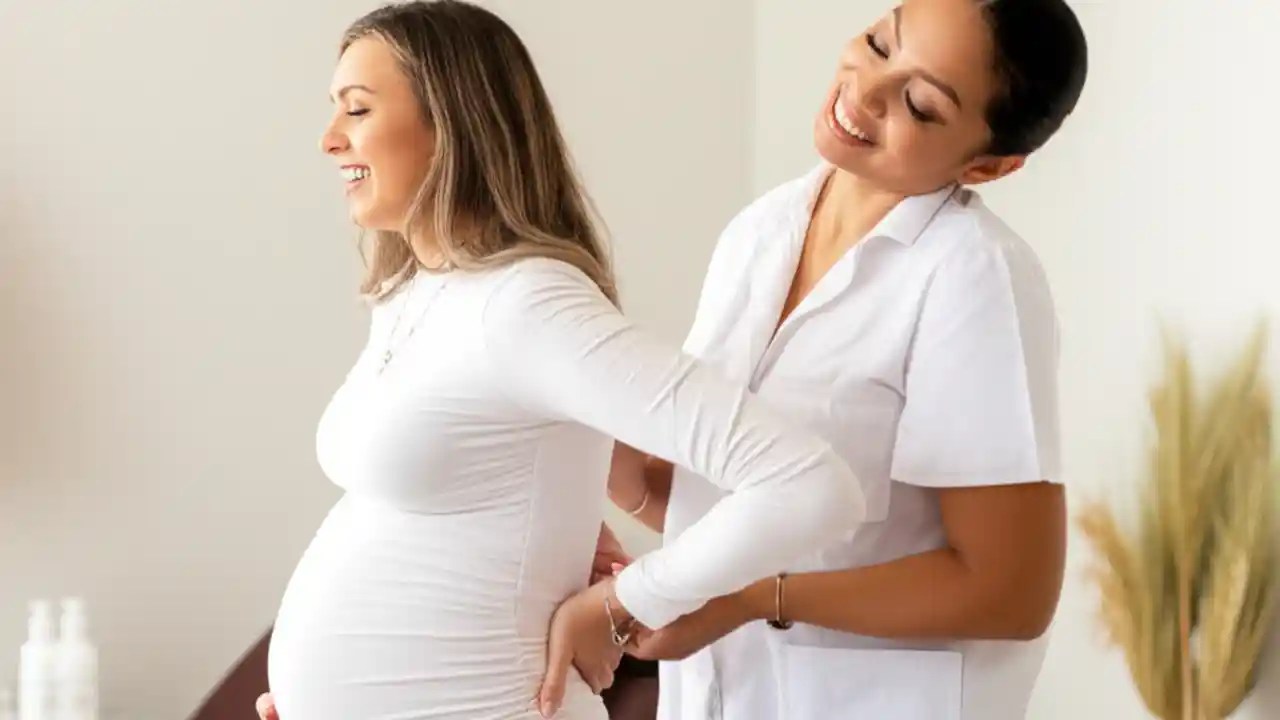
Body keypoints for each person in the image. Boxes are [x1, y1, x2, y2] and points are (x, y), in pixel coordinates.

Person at [256, 2, 866, 720]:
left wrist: (625, 602)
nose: (330, 140)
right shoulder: (417, 293)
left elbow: (810, 485)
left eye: (357, 109)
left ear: (453, 123)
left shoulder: (528, 305)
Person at [548, 0, 1089, 718]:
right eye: (878, 42)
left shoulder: (973, 277)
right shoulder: (762, 230)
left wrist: (752, 600)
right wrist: (602, 449)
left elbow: (1008, 590)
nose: (866, 91)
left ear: (989, 165)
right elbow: (711, 494)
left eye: (921, 104)